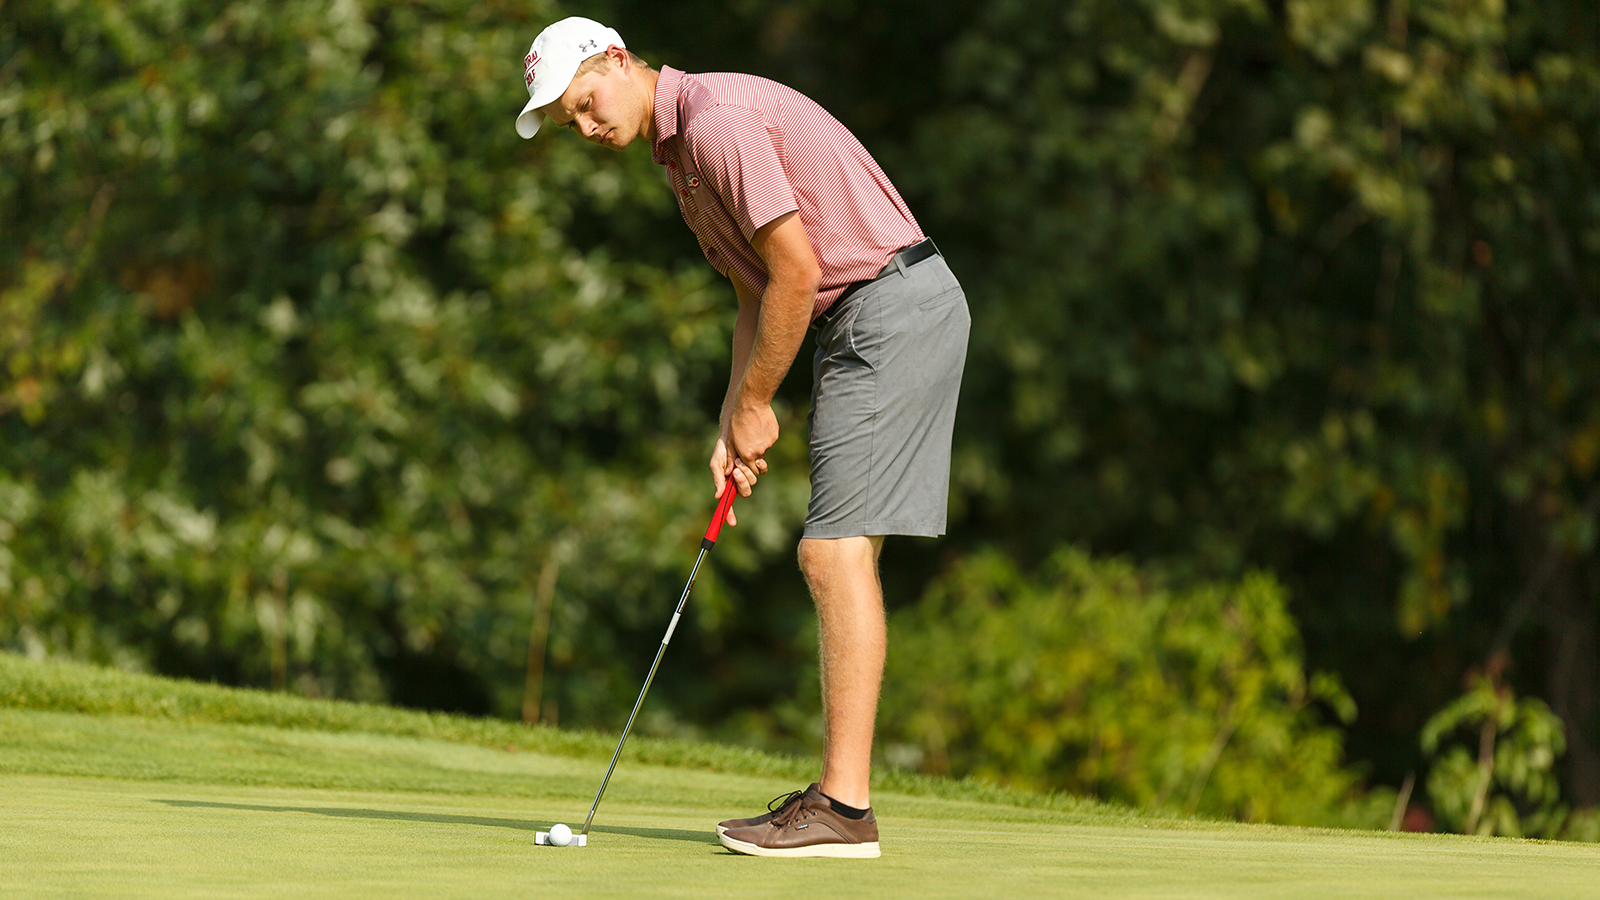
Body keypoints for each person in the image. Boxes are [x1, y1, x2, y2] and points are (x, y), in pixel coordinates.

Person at [516, 16, 969, 859]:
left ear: (619, 61)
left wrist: (762, 399)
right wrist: (735, 414)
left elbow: (798, 268)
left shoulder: (716, 121)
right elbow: (755, 293)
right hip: (868, 314)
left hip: (888, 308)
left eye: (584, 104)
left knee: (831, 554)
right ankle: (843, 803)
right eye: (568, 120)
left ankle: (844, 808)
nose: (583, 127)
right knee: (837, 552)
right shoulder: (680, 158)